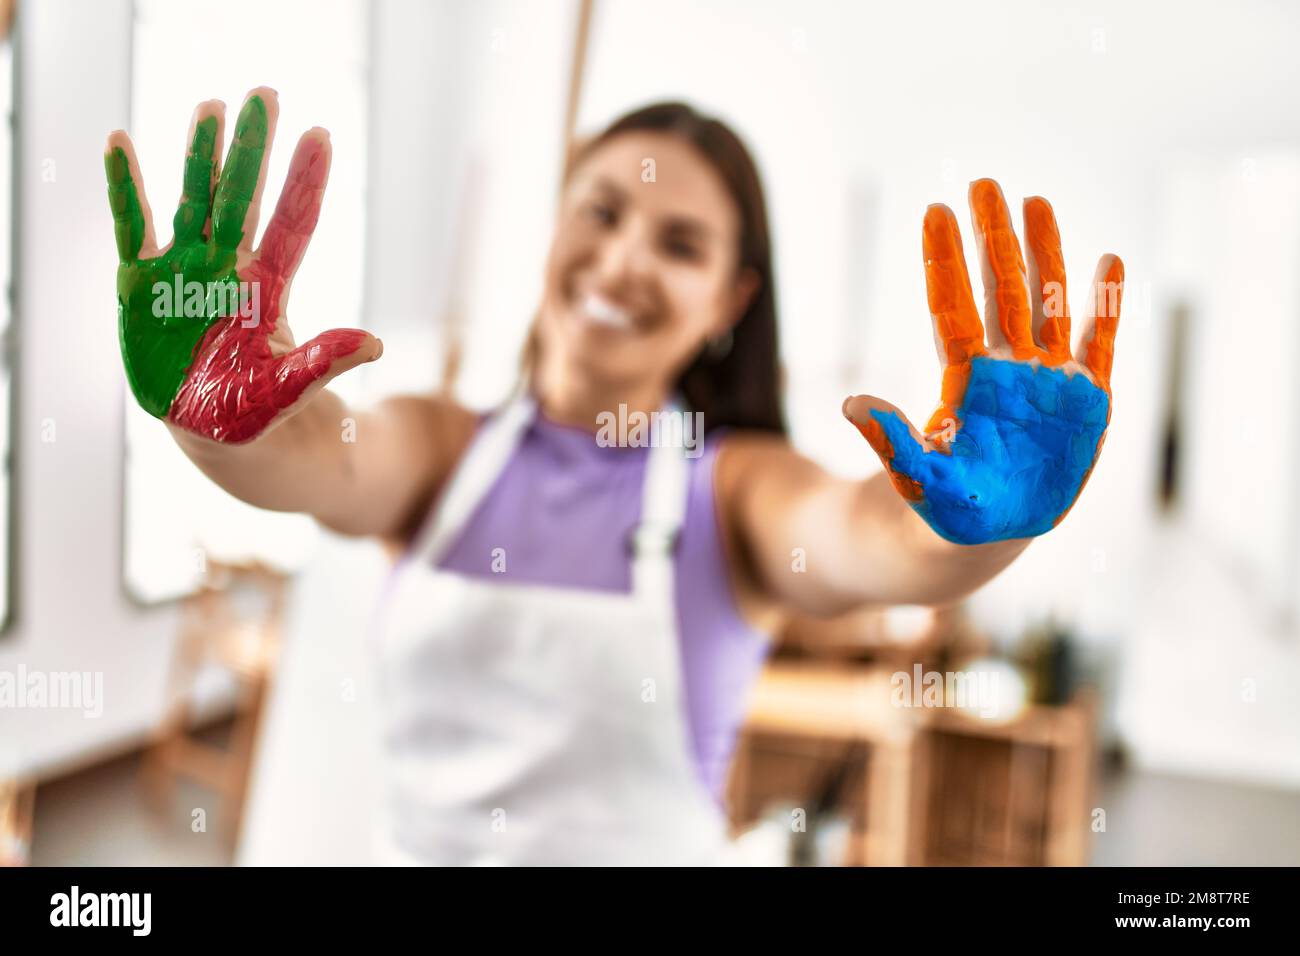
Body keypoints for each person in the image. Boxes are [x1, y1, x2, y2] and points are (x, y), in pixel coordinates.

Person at [104, 88, 1123, 865]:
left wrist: (979, 521)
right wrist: (212, 408)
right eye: (601, 212)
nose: (625, 259)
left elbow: (868, 536)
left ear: (730, 300)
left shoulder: (734, 489)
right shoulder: (437, 448)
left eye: (679, 245)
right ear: (553, 227)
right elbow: (306, 456)